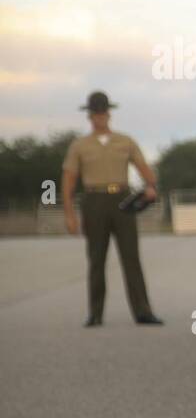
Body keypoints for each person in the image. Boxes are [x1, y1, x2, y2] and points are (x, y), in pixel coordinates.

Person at [62, 91, 162, 327]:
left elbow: (143, 167)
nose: (100, 117)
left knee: (131, 257)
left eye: (104, 112)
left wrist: (150, 186)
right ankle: (95, 313)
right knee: (96, 258)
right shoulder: (80, 145)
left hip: (122, 200)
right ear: (90, 116)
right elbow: (68, 179)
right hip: (94, 200)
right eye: (96, 113)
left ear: (109, 114)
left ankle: (143, 311)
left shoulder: (125, 141)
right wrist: (69, 214)